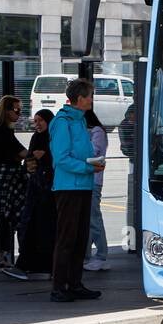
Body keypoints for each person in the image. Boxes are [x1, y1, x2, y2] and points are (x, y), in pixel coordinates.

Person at [48, 80, 103, 303]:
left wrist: (92, 164)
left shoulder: (78, 121)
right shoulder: (63, 122)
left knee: (80, 238)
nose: (91, 99)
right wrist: (89, 167)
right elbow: (61, 158)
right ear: (79, 99)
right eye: (89, 96)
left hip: (82, 185)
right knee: (67, 238)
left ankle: (74, 283)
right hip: (69, 187)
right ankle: (59, 287)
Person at [0, 95, 28, 280]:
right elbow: (22, 152)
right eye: (16, 110)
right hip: (7, 177)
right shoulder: (2, 132)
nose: (19, 113)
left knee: (6, 217)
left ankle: (1, 256)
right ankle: (2, 257)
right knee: (8, 216)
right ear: (7, 111)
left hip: (0, 177)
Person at [15, 109, 56, 278]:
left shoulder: (53, 139)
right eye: (35, 121)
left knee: (46, 228)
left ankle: (46, 266)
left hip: (49, 191)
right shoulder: (36, 137)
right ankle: (28, 264)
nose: (37, 124)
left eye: (41, 121)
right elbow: (28, 162)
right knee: (29, 226)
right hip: (34, 190)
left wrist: (45, 156)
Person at [83, 108, 110, 271]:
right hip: (85, 179)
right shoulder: (90, 131)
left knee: (94, 218)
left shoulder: (97, 131)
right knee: (87, 219)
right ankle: (86, 256)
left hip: (93, 180)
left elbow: (94, 152)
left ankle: (101, 255)